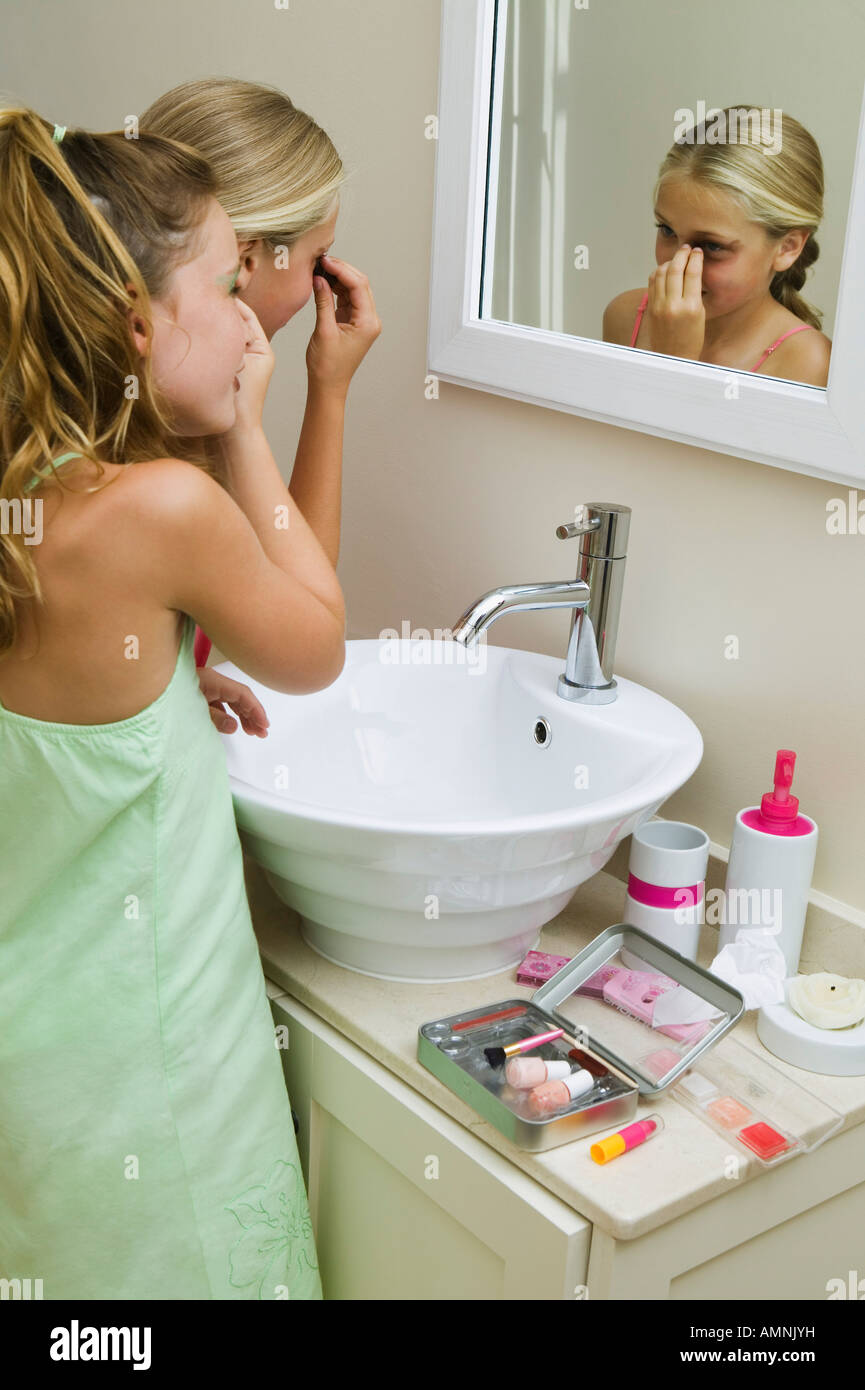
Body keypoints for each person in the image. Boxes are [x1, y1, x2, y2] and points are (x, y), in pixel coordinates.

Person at [0, 104, 371, 1298]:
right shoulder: (161, 505)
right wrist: (265, 421)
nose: (246, 326)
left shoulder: (33, 503)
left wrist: (158, 671)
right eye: (225, 287)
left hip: (35, 1054)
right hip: (148, 1067)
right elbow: (312, 648)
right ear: (130, 320)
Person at [140, 76, 381, 697]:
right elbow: (308, 624)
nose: (320, 288)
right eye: (316, 261)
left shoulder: (153, 399)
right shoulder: (173, 453)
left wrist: (163, 686)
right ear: (243, 263)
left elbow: (291, 563)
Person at [603, 106, 832, 387]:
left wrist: (675, 359)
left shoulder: (809, 362)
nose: (679, 264)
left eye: (712, 246)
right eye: (667, 230)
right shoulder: (624, 316)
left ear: (787, 247)